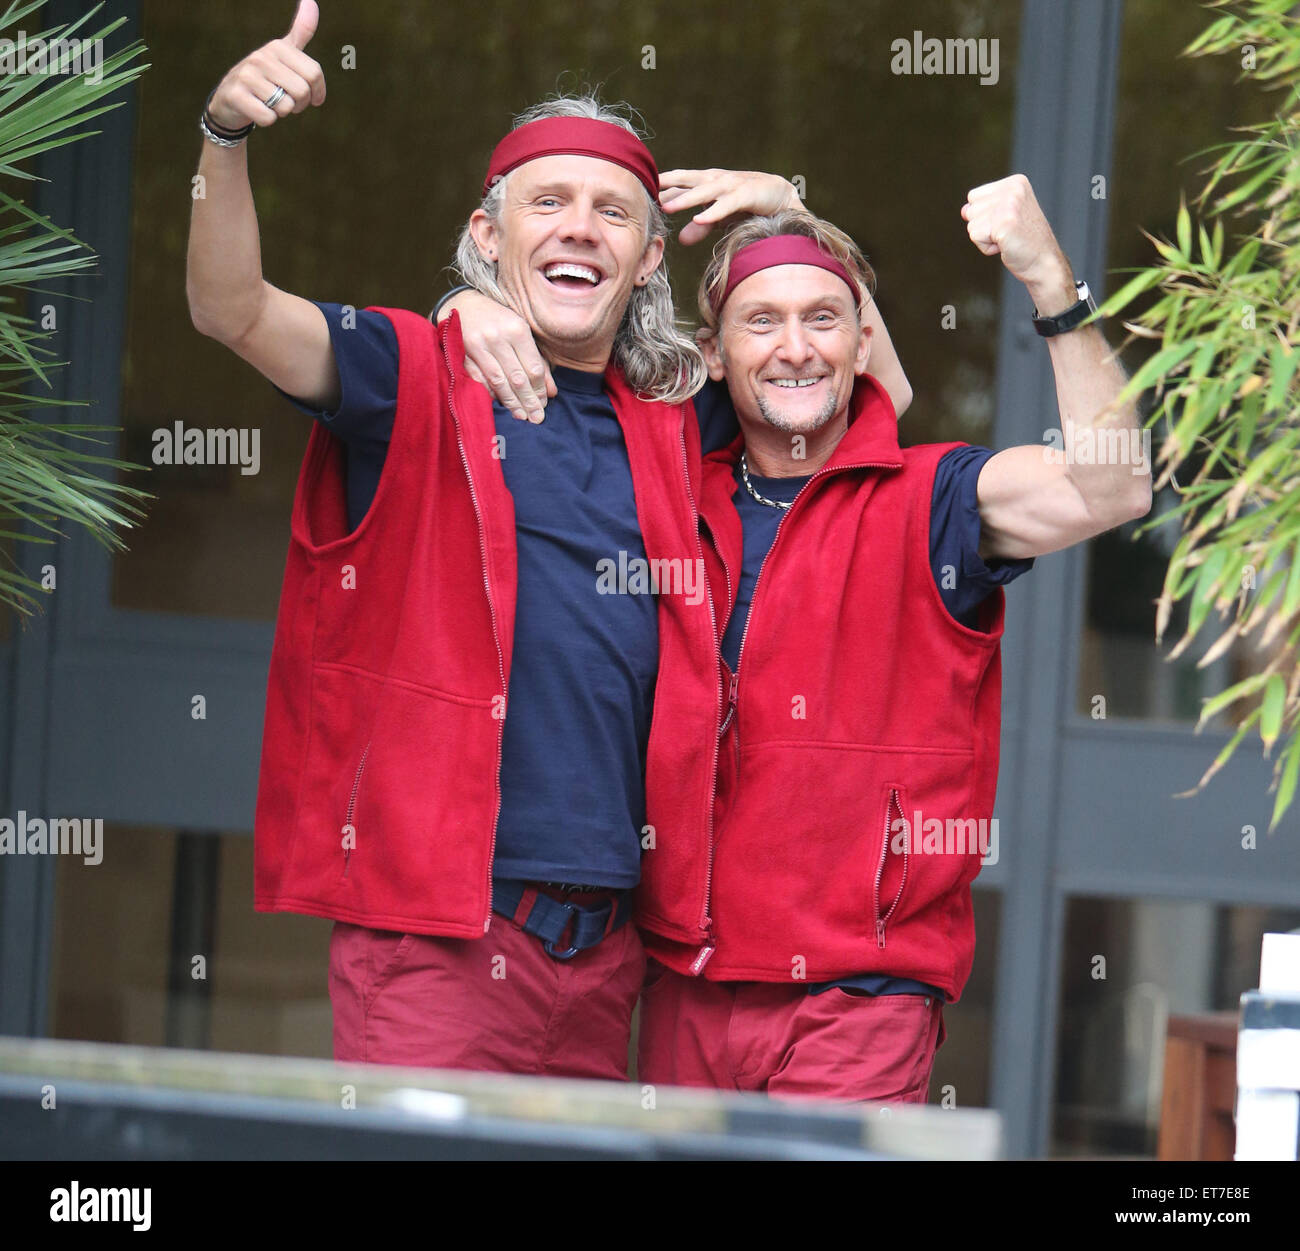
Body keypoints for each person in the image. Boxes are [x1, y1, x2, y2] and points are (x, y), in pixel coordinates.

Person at [186, 1, 900, 1079]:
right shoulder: (410, 373)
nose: (580, 227)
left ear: (649, 257)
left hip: (607, 956)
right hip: (441, 943)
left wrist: (802, 224)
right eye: (548, 202)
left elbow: (868, 405)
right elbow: (229, 307)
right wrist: (224, 140)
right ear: (489, 236)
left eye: (613, 211)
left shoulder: (678, 417)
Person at [450, 195, 1151, 1101]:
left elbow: (1113, 487)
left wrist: (1053, 282)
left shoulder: (933, 499)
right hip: (684, 984)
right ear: (713, 353)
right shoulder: (664, 491)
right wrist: (460, 308)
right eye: (761, 321)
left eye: (823, 319)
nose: (794, 347)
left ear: (864, 345)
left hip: (858, 996)